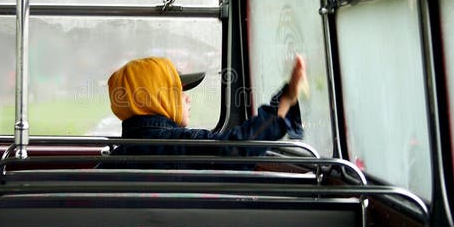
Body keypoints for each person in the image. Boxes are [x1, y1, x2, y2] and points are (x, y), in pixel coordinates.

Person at [106, 55, 306, 165]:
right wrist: (285, 102)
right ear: (157, 98)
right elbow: (236, 150)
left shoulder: (108, 162)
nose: (187, 98)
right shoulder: (182, 147)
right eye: (178, 91)